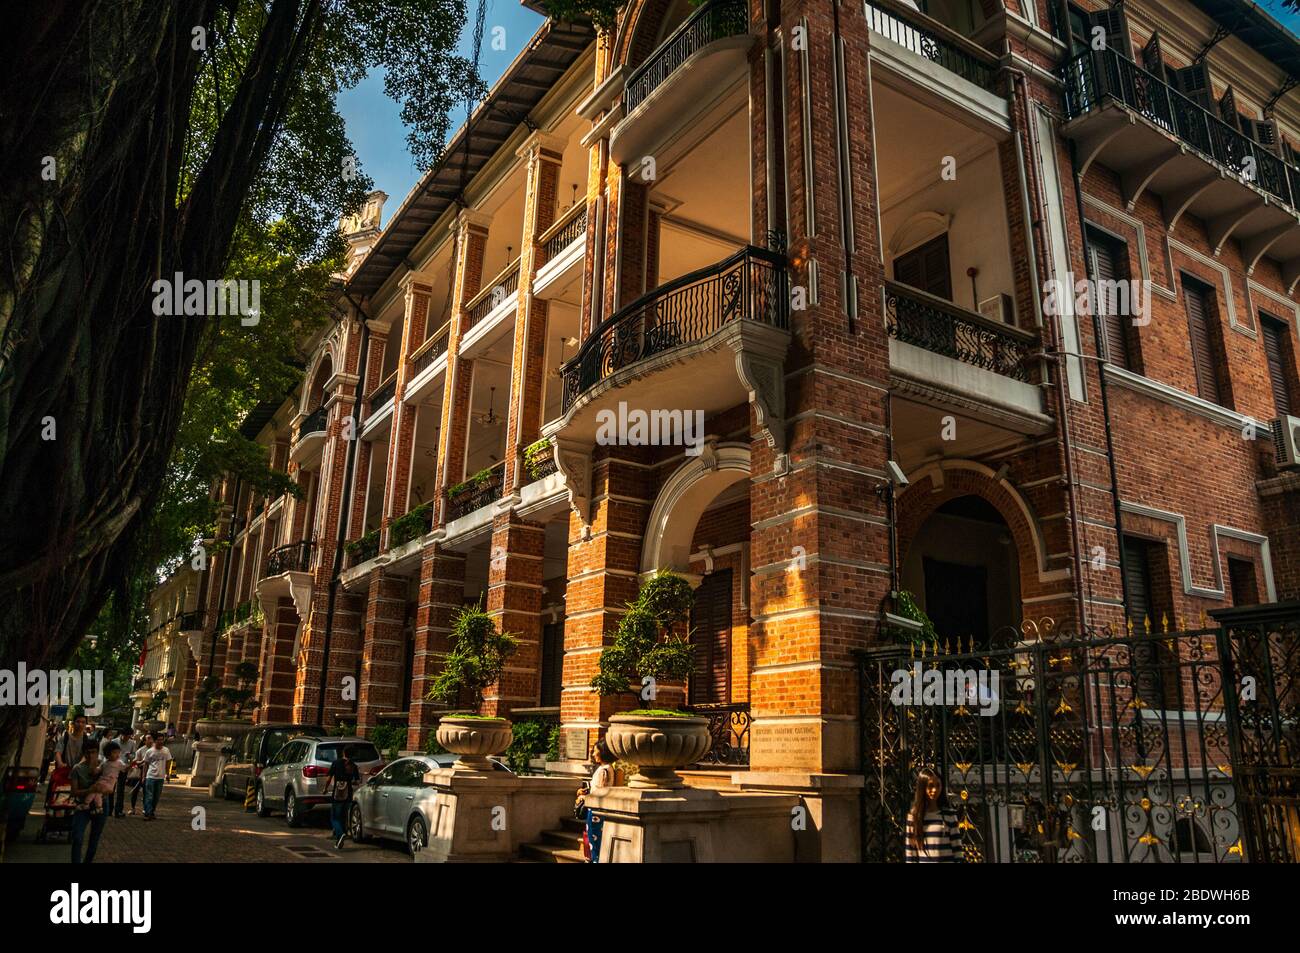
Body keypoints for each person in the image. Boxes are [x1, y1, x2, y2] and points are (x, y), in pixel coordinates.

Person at [905, 767, 963, 863]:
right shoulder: (914, 817)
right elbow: (910, 852)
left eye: (938, 785)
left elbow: (957, 850)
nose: (935, 790)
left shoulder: (949, 815)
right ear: (923, 788)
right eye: (930, 786)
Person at [68, 740, 108, 863]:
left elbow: (111, 788)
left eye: (94, 752)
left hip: (101, 805)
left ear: (98, 752)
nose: (91, 756)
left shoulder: (104, 766)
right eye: (88, 753)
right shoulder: (77, 769)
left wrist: (102, 789)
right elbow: (74, 791)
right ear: (84, 753)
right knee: (77, 837)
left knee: (94, 839)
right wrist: (89, 790)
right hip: (82, 806)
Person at [578, 741, 617, 863]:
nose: (594, 754)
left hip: (596, 813)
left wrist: (584, 798)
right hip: (599, 812)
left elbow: (599, 794)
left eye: (596, 751)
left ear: (602, 752)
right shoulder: (606, 768)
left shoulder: (603, 770)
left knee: (595, 845)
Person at [323, 745, 361, 849]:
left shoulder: (336, 763)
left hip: (338, 792)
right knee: (344, 815)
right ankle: (340, 839)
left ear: (344, 752)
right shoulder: (353, 765)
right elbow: (357, 781)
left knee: (335, 816)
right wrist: (351, 781)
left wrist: (325, 789)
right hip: (348, 792)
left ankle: (340, 834)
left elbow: (329, 778)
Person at [86, 741, 127, 813]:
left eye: (118, 752)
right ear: (107, 754)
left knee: (96, 791)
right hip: (102, 781)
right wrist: (94, 767)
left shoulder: (119, 763)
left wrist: (132, 763)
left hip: (109, 783)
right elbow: (97, 770)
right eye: (114, 752)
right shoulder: (105, 763)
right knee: (96, 793)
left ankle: (91, 805)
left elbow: (125, 769)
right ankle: (94, 806)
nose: (117, 755)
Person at [140, 734, 172, 820]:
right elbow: (145, 764)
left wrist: (168, 774)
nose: (160, 741)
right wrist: (143, 776)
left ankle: (152, 811)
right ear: (154, 741)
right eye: (158, 740)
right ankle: (148, 813)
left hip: (160, 777)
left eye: (162, 740)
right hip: (150, 776)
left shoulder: (166, 751)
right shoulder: (149, 751)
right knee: (149, 796)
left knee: (156, 797)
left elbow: (168, 762)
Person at [113, 729, 137, 817]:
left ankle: (118, 810)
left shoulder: (132, 743)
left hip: (124, 769)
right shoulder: (114, 742)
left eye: (128, 736)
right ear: (121, 734)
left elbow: (134, 755)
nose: (126, 738)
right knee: (110, 788)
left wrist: (130, 756)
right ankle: (109, 809)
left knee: (120, 790)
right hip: (114, 767)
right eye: (125, 736)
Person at [127, 733, 151, 815]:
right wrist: (142, 762)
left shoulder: (154, 750)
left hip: (150, 773)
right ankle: (133, 808)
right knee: (135, 791)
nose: (151, 741)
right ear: (144, 741)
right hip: (140, 773)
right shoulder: (140, 750)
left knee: (146, 792)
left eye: (151, 739)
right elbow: (135, 762)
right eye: (148, 739)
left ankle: (145, 808)